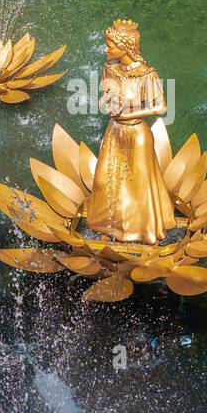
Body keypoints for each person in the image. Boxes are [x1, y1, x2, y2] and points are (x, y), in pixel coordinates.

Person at [85, 18, 177, 245]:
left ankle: (142, 230)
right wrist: (106, 104)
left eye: (110, 46)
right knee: (106, 181)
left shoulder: (147, 74)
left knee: (137, 185)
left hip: (137, 135)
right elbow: (105, 97)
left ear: (125, 47)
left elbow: (161, 106)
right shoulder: (109, 69)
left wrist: (128, 114)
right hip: (114, 133)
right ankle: (110, 225)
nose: (106, 49)